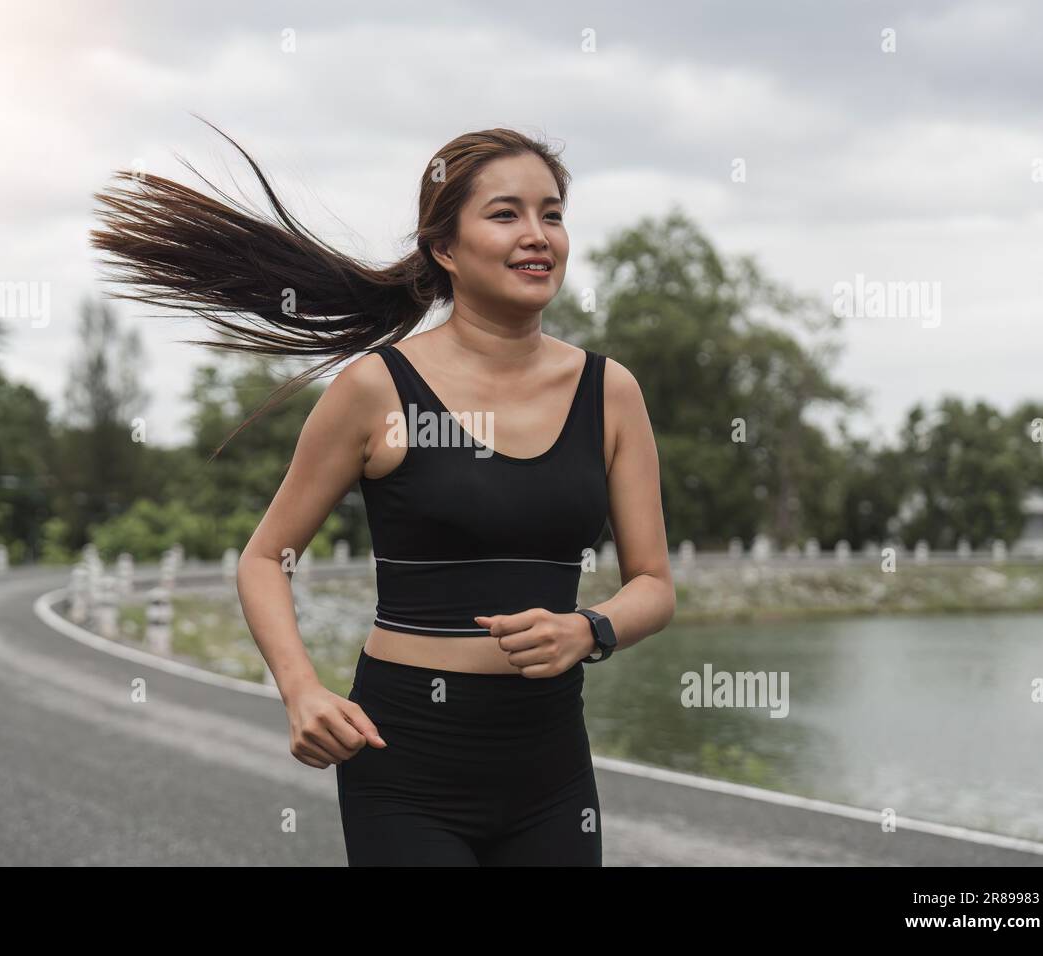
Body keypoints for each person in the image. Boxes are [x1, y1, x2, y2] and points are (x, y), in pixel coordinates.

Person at [90, 122, 676, 865]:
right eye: (506, 214)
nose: (537, 235)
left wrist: (589, 629)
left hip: (550, 767)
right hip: (405, 764)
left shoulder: (609, 391)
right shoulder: (377, 388)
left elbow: (654, 584)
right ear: (445, 249)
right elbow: (266, 557)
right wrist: (301, 690)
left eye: (551, 213)